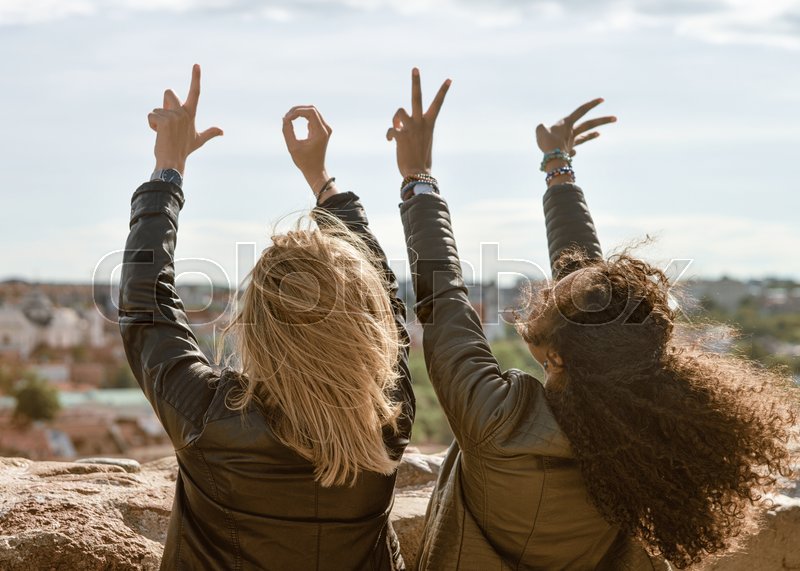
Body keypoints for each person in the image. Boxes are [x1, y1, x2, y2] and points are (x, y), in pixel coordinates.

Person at [390, 68, 797, 569]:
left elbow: (444, 297)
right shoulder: (644, 429)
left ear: (557, 356)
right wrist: (558, 170)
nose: (545, 293)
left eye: (551, 302)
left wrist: (418, 178)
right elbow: (598, 310)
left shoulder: (496, 420)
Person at [119, 65, 414, 570]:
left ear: (257, 322)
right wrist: (325, 182)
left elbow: (146, 305)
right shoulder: (387, 416)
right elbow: (384, 306)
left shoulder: (208, 417)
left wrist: (168, 169)